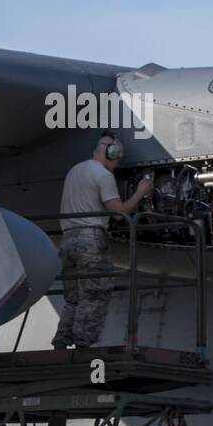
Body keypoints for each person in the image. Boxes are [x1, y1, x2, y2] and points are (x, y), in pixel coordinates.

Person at [51, 133, 153, 349]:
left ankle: (61, 342)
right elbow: (119, 213)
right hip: (90, 240)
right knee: (95, 294)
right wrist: (140, 193)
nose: (118, 164)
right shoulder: (103, 175)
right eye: (118, 158)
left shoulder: (74, 170)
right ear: (111, 153)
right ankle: (83, 346)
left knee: (74, 297)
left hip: (67, 240)